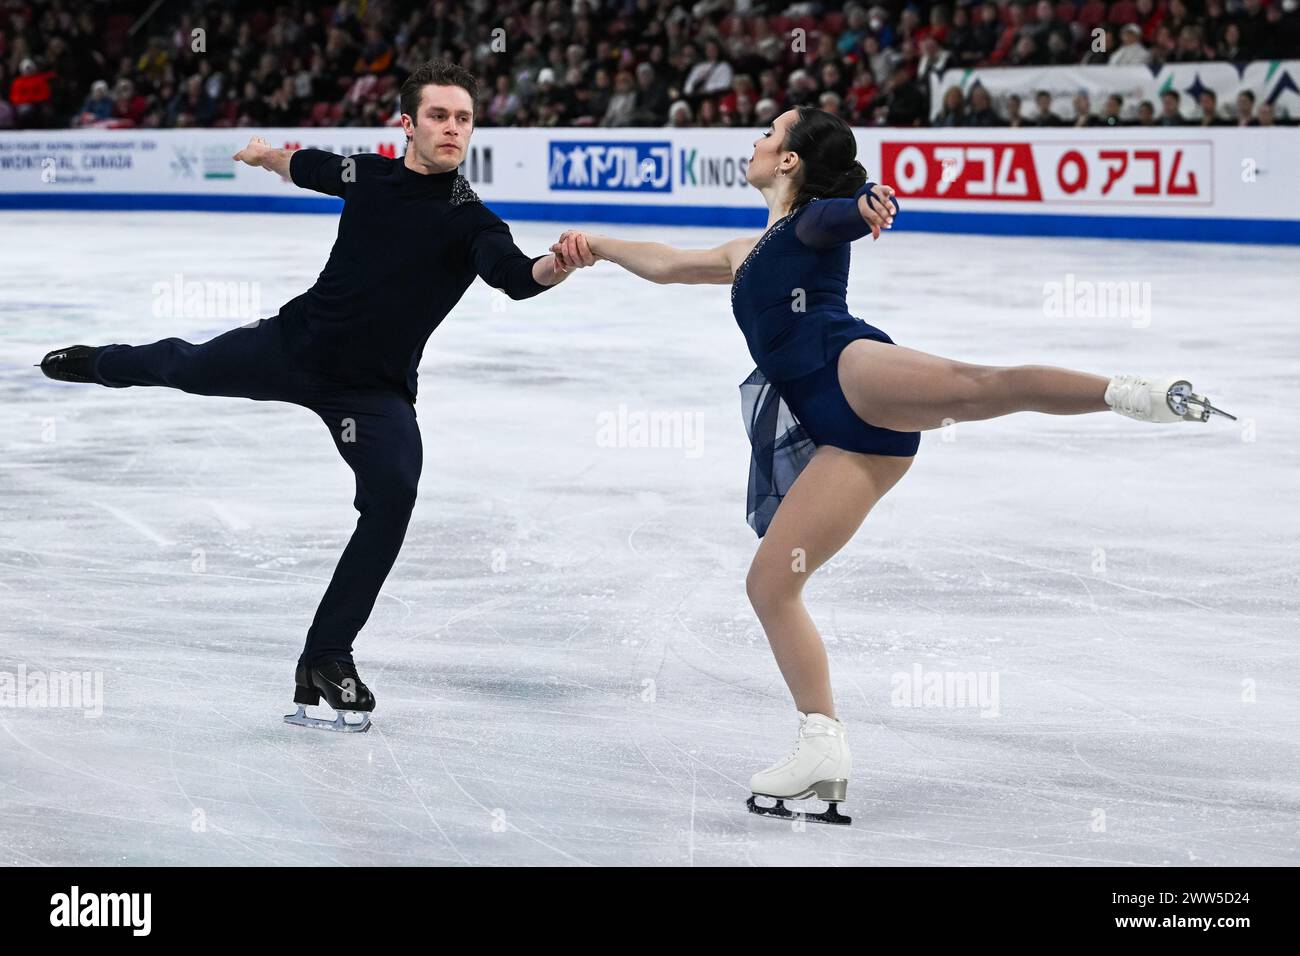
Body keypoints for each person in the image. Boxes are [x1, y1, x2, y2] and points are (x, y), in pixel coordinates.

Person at [549, 108, 1234, 824]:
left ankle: (1137, 395)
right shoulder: (746, 251)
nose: (754, 142)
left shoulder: (812, 220)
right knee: (771, 585)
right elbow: (663, 263)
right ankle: (822, 744)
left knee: (977, 386)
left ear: (789, 161)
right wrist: (594, 245)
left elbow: (838, 219)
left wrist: (867, 204)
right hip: (849, 440)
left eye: (768, 134)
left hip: (849, 370)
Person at [38, 61, 576, 733]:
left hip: (370, 393)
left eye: (463, 118)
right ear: (406, 123)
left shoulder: (472, 222)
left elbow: (517, 278)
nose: (452, 129)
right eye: (438, 116)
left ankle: (327, 657)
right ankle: (101, 364)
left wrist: (557, 263)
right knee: (187, 364)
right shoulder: (369, 176)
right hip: (294, 349)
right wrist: (267, 156)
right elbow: (307, 167)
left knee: (393, 498)